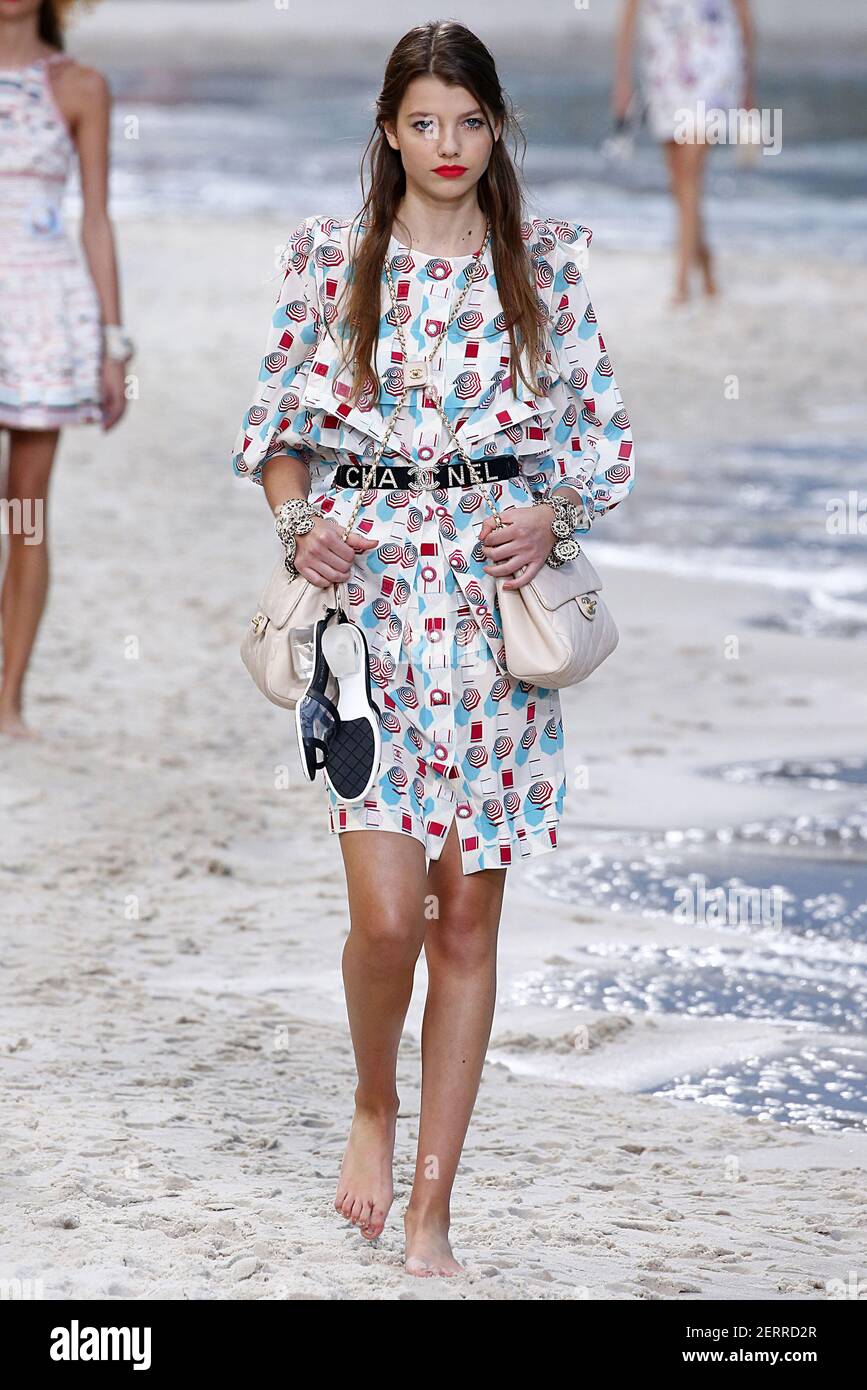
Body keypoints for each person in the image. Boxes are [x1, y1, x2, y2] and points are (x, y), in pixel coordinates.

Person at [231, 20, 636, 1277]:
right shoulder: (330, 258)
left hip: (496, 623)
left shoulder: (546, 264)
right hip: (369, 626)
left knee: (467, 920)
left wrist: (546, 509)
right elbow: (271, 431)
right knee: (389, 917)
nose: (447, 146)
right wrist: (302, 526)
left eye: (468, 122)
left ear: (495, 128)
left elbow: (604, 444)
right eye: (423, 122)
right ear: (389, 131)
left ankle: (431, 1211)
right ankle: (373, 1102)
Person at [0, 0, 132, 738]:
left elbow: (96, 216)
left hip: (45, 309)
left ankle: (8, 698)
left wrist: (114, 343)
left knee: (23, 512)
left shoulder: (80, 86)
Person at [614, 0, 754, 303]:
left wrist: (747, 83)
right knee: (678, 179)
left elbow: (743, 9)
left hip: (714, 63)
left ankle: (681, 284)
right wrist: (623, 80)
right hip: (663, 65)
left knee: (689, 173)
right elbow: (628, 13)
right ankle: (707, 268)